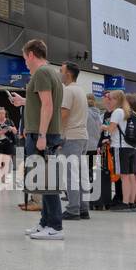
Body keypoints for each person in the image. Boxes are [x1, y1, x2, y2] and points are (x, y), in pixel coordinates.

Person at [9, 39, 65, 240]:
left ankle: (55, 226)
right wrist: (24, 101)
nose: (25, 62)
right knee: (43, 180)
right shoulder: (52, 72)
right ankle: (45, 222)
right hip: (45, 132)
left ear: (31, 54)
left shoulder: (41, 73)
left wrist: (41, 135)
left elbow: (48, 105)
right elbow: (41, 102)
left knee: (47, 181)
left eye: (25, 58)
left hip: (43, 134)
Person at [101, 89, 136, 211]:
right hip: (132, 147)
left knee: (124, 177)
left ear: (117, 100)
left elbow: (111, 129)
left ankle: (124, 203)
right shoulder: (129, 112)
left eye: (111, 99)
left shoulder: (117, 111)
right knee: (131, 176)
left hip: (120, 147)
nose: (110, 101)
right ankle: (131, 202)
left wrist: (103, 127)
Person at [58, 63, 89, 221]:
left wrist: (58, 134)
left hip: (71, 136)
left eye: (61, 71)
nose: (59, 73)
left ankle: (73, 209)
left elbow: (63, 114)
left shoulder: (68, 90)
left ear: (68, 74)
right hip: (83, 137)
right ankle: (83, 208)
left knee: (71, 175)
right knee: (81, 174)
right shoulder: (81, 90)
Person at [0, 106, 18, 187]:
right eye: (0, 113)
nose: (2, 114)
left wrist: (11, 128)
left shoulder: (9, 121)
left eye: (3, 113)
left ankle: (4, 178)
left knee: (6, 162)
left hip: (9, 144)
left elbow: (15, 131)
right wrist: (3, 130)